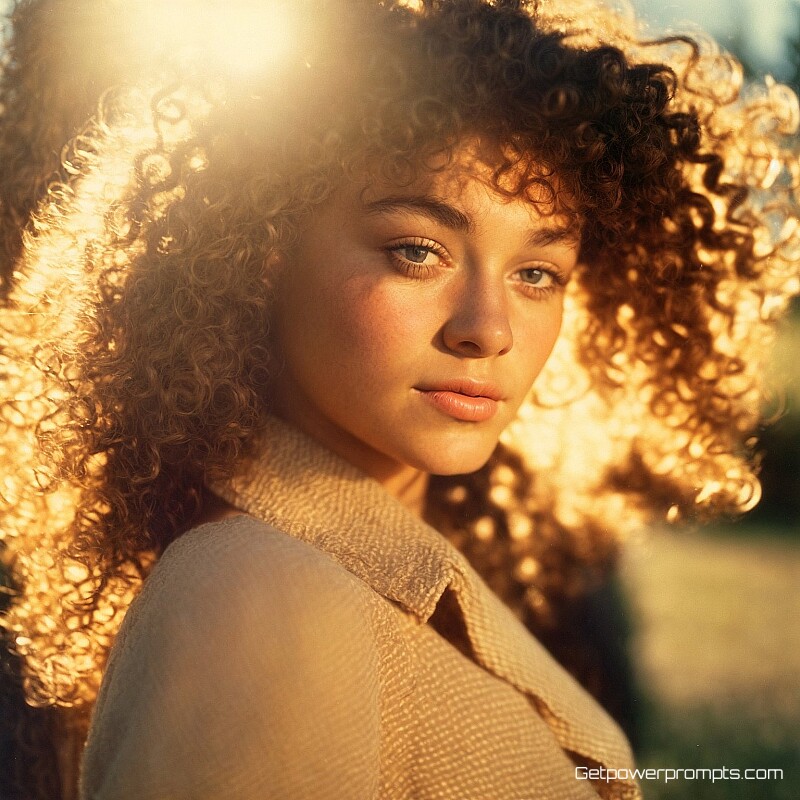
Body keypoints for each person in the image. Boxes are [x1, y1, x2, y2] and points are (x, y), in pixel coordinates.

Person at [1, 0, 798, 798]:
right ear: (262, 251)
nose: (489, 330)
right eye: (418, 251)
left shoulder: (371, 572)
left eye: (536, 274)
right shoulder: (259, 599)